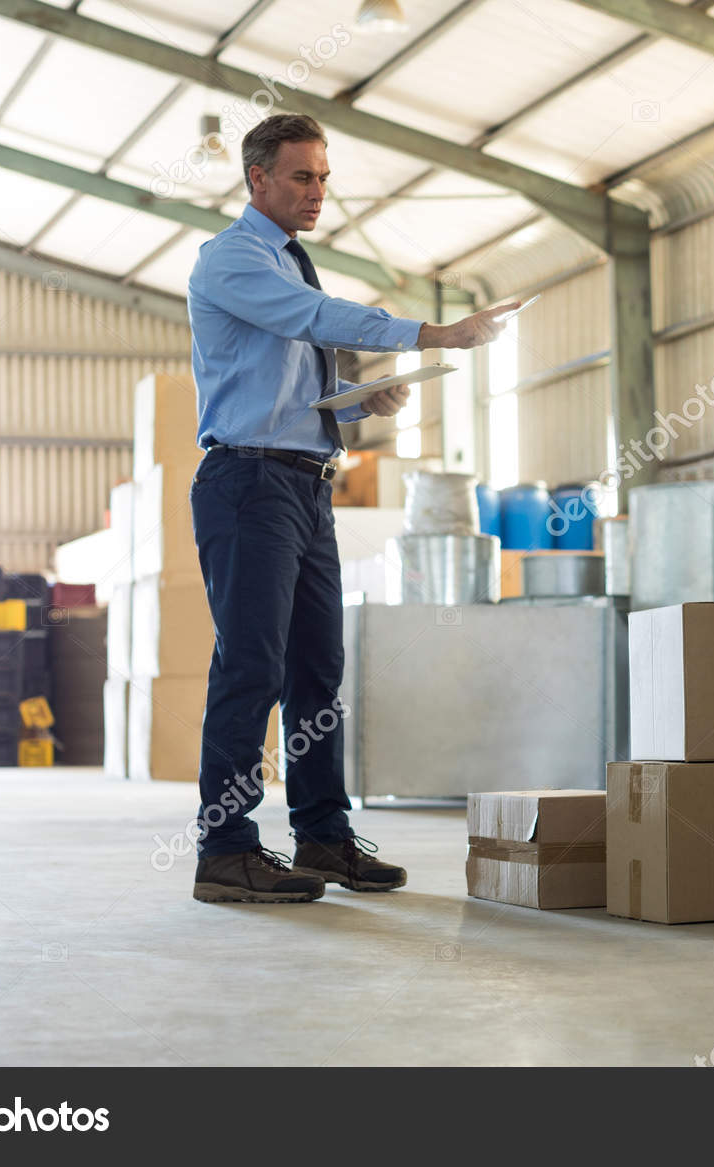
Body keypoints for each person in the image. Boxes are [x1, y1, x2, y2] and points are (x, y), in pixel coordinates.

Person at [185, 113, 518, 904]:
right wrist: (431, 332)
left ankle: (324, 835)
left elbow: (289, 386)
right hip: (248, 486)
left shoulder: (291, 265)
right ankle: (225, 847)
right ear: (257, 179)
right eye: (302, 177)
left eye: (324, 178)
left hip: (303, 482)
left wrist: (361, 405)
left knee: (317, 672)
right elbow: (314, 320)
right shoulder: (233, 259)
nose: (318, 192)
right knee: (253, 664)